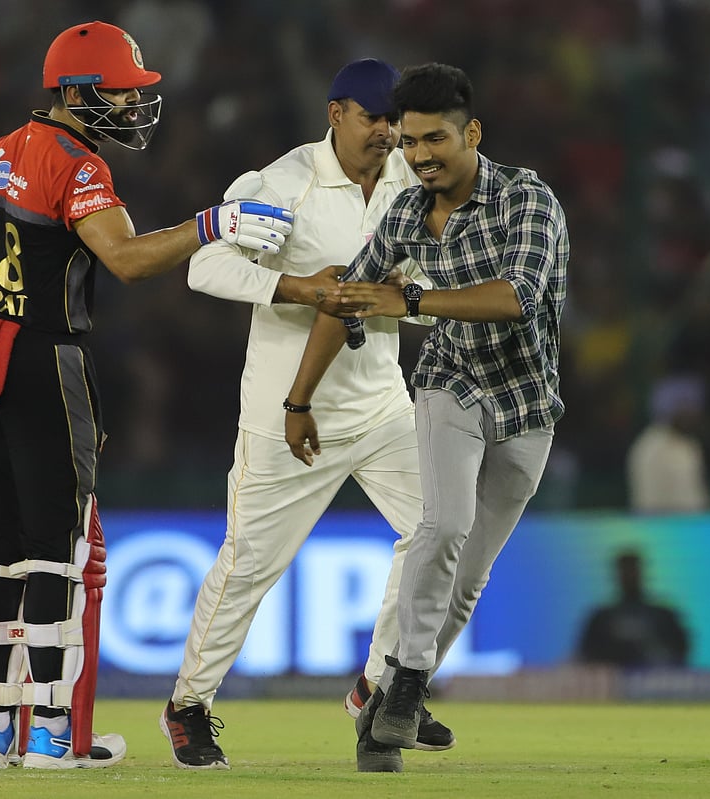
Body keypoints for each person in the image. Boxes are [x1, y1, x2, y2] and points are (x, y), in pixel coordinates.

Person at [0, 20, 292, 771]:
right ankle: (53, 736)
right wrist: (212, 225)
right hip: (46, 359)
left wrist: (14, 278)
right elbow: (127, 260)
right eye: (121, 93)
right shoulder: (77, 162)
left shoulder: (1, 150)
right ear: (75, 92)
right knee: (55, 554)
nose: (133, 107)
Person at [161, 58, 453, 773]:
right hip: (285, 411)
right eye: (374, 117)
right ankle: (188, 706)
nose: (387, 131)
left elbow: (425, 285)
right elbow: (206, 268)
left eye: (396, 120)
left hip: (381, 402)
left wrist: (403, 290)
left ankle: (379, 690)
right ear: (336, 113)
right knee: (250, 564)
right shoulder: (283, 183)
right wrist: (297, 286)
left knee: (441, 533)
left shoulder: (408, 183)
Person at [284, 63, 569, 765]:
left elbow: (517, 298)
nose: (420, 156)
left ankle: (383, 704)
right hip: (450, 383)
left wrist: (405, 301)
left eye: (434, 139)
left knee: (468, 576)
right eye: (408, 143)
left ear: (472, 132)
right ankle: (407, 685)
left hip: (529, 404)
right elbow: (350, 296)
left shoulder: (525, 198)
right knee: (440, 526)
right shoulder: (407, 214)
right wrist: (298, 399)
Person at [577, 549, 690, 668]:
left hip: (655, 681)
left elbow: (680, 653)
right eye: (625, 571)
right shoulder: (601, 618)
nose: (630, 575)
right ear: (617, 575)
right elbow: (587, 655)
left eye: (633, 570)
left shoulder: (664, 615)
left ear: (641, 573)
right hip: (612, 682)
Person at [625, 375, 710, 513]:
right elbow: (648, 504)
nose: (693, 414)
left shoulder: (690, 445)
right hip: (663, 529)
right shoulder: (650, 446)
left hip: (695, 528)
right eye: (686, 407)